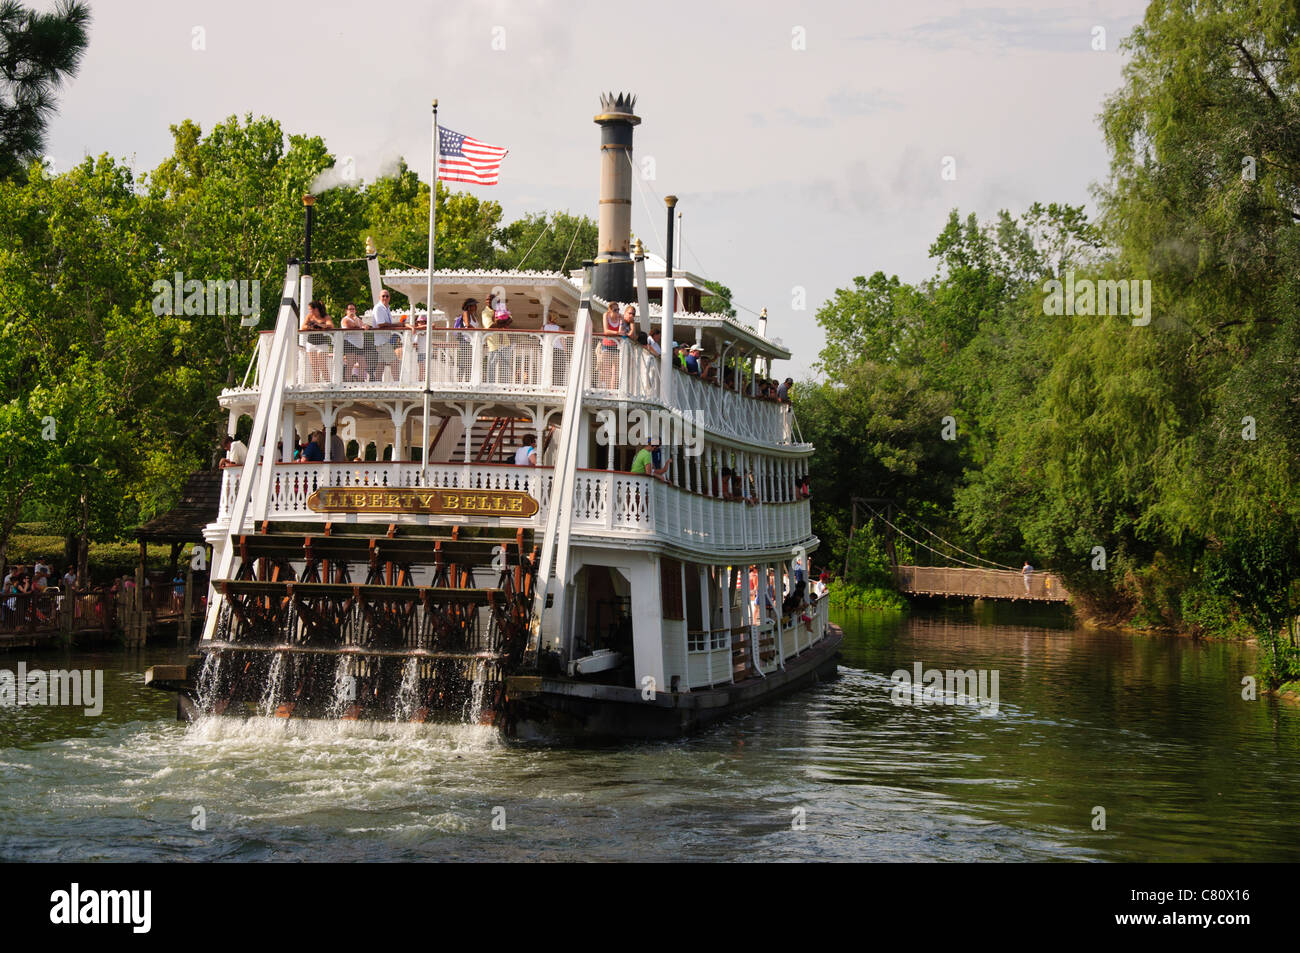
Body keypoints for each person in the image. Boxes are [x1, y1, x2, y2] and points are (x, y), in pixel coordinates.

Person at [300, 300, 335, 382]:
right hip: (311, 342)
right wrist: (310, 327)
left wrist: (319, 325)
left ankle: (328, 383)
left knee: (322, 365)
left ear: (316, 309)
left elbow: (331, 325)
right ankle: (316, 384)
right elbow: (303, 326)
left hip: (322, 343)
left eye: (311, 309)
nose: (310, 311)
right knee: (314, 366)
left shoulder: (325, 316)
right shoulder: (309, 316)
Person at [340, 303, 367, 381]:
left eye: (353, 309)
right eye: (350, 309)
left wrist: (365, 326)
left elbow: (364, 326)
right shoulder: (345, 319)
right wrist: (357, 322)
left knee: (363, 364)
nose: (352, 311)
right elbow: (353, 326)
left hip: (359, 345)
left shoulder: (357, 319)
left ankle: (360, 382)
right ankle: (348, 382)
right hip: (350, 343)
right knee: (350, 364)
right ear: (346, 311)